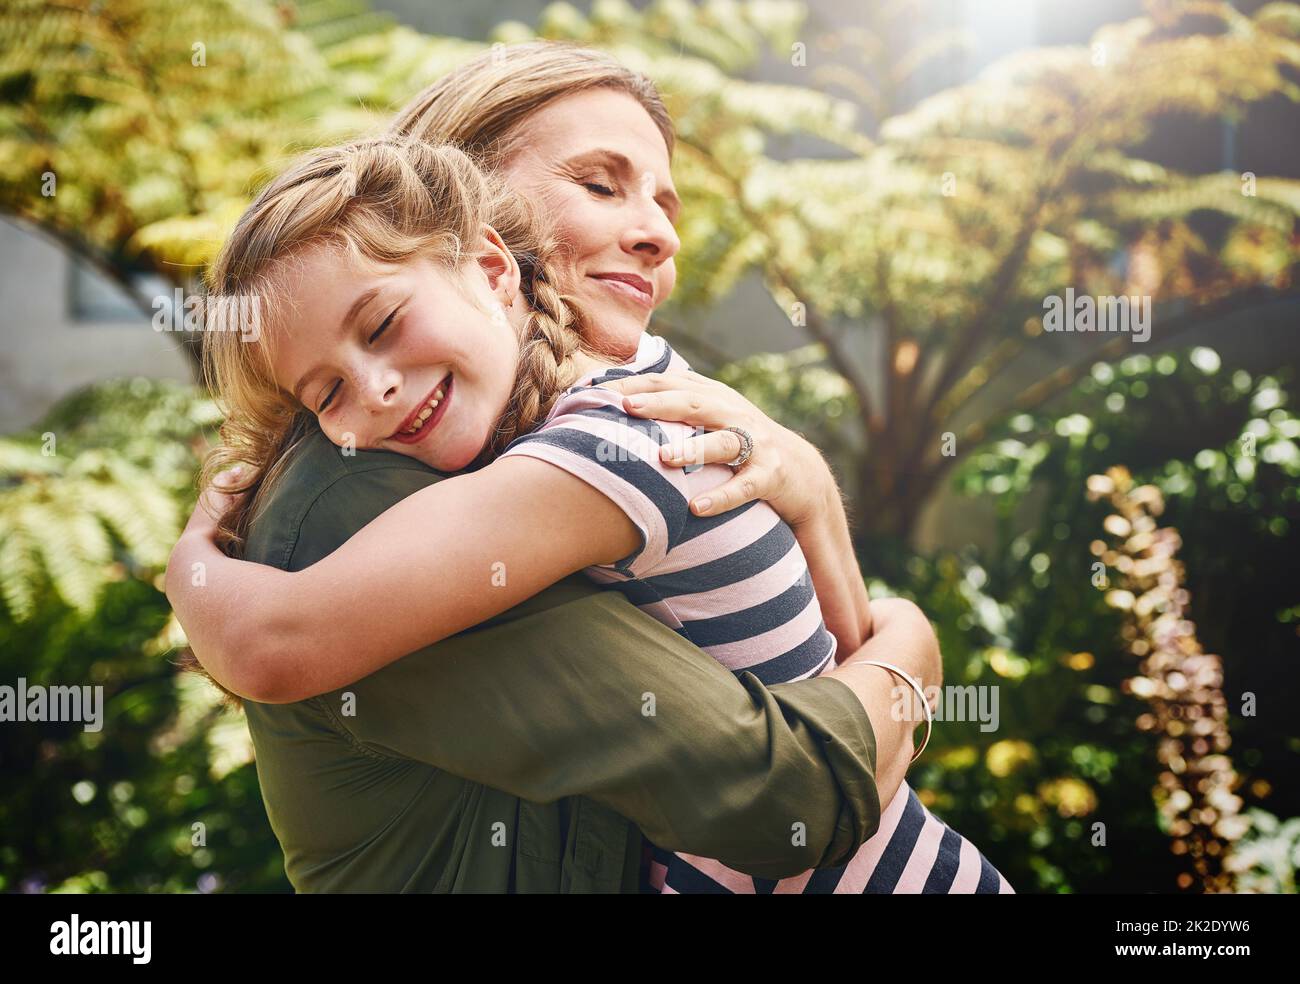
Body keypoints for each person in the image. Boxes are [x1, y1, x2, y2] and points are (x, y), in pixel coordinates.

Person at [168, 42, 1008, 893]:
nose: (658, 234)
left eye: (663, 200)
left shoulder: (628, 418)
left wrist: (820, 500)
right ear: (477, 211)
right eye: (600, 185)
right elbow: (788, 788)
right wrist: (912, 651)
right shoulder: (368, 486)